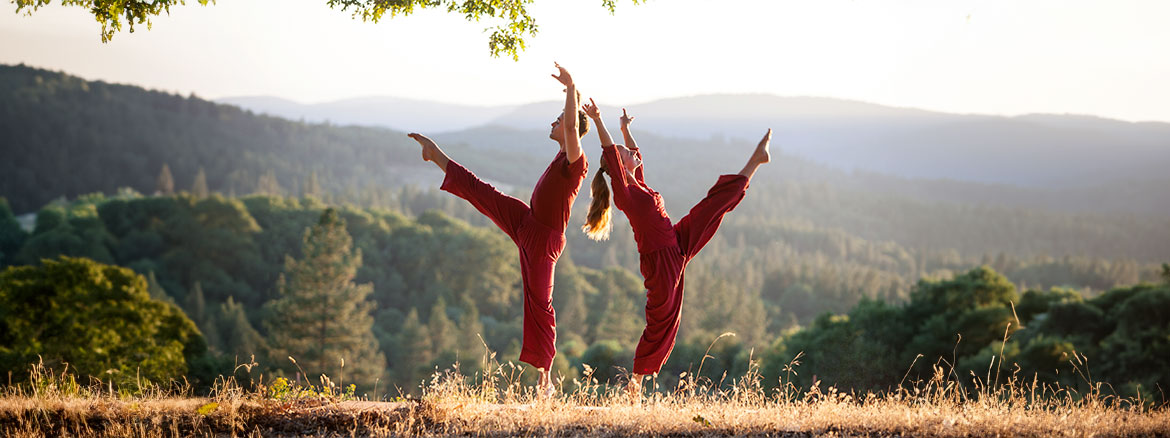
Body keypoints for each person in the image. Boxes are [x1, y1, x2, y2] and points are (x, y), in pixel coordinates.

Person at [407, 63, 589, 396]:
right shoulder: (558, 157)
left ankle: (545, 381)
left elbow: (574, 131)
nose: (553, 122)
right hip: (528, 223)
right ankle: (435, 154)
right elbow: (570, 129)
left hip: (544, 240)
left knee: (541, 302)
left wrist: (572, 88)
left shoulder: (575, 163)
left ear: (570, 126)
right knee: (483, 192)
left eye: (558, 119)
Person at [580, 101, 771, 396]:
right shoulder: (624, 192)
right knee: (662, 316)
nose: (633, 153)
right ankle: (636, 382)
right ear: (618, 164)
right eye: (626, 153)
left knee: (712, 206)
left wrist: (625, 129)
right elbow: (610, 153)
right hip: (660, 259)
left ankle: (755, 160)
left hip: (674, 239)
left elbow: (634, 156)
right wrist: (599, 121)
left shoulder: (638, 184)